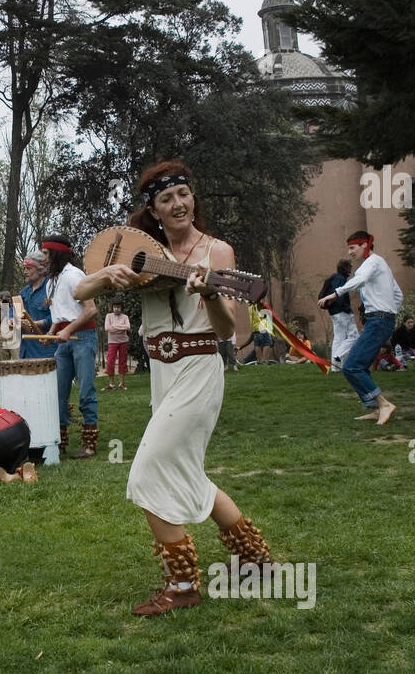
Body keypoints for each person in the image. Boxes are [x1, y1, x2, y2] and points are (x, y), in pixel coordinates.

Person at [73, 159, 275, 614]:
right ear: (155, 211)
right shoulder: (142, 252)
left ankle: (183, 588)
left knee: (146, 473)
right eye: (167, 199)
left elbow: (225, 330)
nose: (178, 203)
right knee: (189, 475)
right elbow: (77, 293)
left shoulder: (216, 253)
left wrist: (207, 294)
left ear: (193, 199)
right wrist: (107, 277)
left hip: (200, 366)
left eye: (183, 194)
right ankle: (256, 562)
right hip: (161, 373)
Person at [317, 231, 402, 424]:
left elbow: (359, 280)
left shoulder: (373, 263)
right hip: (380, 320)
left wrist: (335, 294)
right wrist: (390, 313)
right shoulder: (380, 265)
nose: (349, 252)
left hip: (378, 320)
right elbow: (398, 294)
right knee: (360, 365)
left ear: (365, 245)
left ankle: (384, 404)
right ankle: (374, 408)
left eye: (352, 247)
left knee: (352, 366)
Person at [44, 233, 99, 458]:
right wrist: (51, 333)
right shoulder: (52, 281)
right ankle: (59, 441)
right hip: (65, 342)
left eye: (46, 253)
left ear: (56, 254)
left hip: (83, 338)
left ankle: (90, 443)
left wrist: (68, 330)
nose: (43, 258)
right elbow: (59, 315)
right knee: (58, 393)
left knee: (85, 391)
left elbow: (91, 309)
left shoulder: (75, 275)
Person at [320, 259, 359, 371]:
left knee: (338, 338)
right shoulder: (340, 279)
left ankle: (335, 367)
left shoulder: (333, 278)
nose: (351, 270)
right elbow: (338, 294)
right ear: (345, 267)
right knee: (354, 336)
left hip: (334, 313)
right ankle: (338, 356)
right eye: (349, 267)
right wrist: (347, 309)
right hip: (342, 312)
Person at [18, 251, 54, 360]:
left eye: (29, 268)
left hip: (46, 351)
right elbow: (13, 311)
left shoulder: (51, 289)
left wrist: (38, 323)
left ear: (40, 270)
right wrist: (11, 319)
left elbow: (60, 316)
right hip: (27, 351)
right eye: (24, 268)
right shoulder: (23, 293)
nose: (25, 272)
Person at [103, 300, 130, 389]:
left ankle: (121, 384)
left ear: (121, 308)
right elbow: (107, 328)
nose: (116, 309)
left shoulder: (125, 317)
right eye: (115, 307)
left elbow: (128, 327)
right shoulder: (109, 316)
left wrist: (114, 327)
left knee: (123, 362)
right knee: (110, 362)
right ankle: (111, 384)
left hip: (123, 342)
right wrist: (121, 328)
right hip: (112, 342)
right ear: (112, 307)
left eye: (118, 307)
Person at [0, 291, 21, 362]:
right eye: (4, 299)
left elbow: (20, 320)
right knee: (4, 364)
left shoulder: (16, 306)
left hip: (14, 337)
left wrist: (10, 306)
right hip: (1, 338)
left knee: (17, 362)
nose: (6, 301)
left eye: (8, 298)